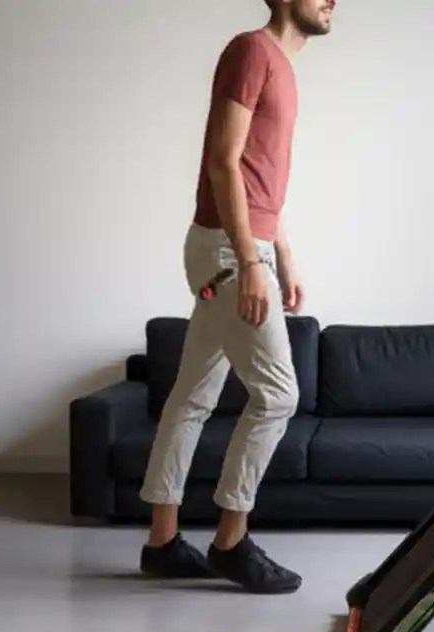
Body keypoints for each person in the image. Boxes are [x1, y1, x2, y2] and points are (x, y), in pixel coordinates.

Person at [136, 0, 336, 593]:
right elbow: (222, 162)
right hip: (228, 248)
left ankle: (163, 540)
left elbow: (257, 180)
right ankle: (231, 540)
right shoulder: (250, 50)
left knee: (193, 395)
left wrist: (282, 253)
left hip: (243, 244)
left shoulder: (283, 66)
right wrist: (251, 261)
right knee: (278, 393)